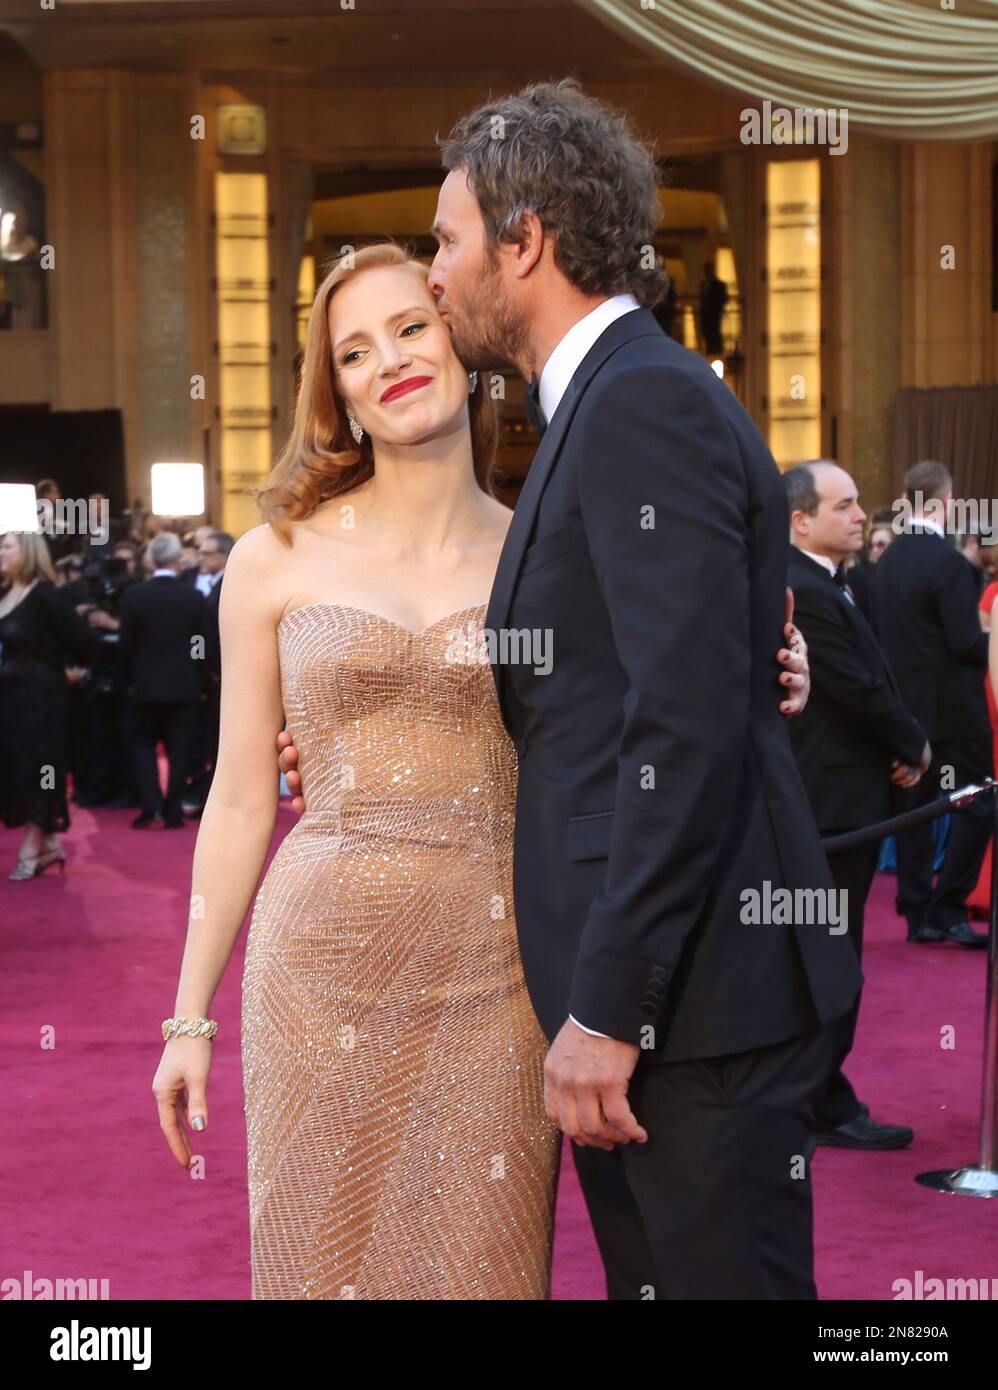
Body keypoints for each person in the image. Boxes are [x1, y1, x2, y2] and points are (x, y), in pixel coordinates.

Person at [151, 220, 812, 1297]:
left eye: (411, 325)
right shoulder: (270, 560)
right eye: (354, 352)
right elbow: (235, 800)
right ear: (338, 393)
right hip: (316, 970)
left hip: (501, 972)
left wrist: (771, 677)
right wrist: (189, 1016)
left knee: (481, 1269)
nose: (390, 361)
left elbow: (661, 697)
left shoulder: (551, 546)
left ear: (460, 339)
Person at [277, 81, 848, 1301]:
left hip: (688, 1006)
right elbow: (631, 683)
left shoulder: (635, 400)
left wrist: (605, 1009)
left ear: (524, 240)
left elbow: (680, 726)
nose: (434, 275)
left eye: (447, 240)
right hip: (671, 1006)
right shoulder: (602, 405)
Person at [785, 461, 927, 1151]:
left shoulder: (828, 583)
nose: (861, 514)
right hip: (830, 802)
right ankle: (813, 1103)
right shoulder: (802, 589)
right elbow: (852, 688)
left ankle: (819, 1096)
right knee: (830, 960)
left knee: (834, 956)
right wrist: (916, 747)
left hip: (847, 792)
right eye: (844, 505)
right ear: (800, 520)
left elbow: (870, 677)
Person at [871, 460, 991, 947]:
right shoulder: (949, 565)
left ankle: (919, 912)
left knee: (914, 813)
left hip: (906, 711)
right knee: (981, 804)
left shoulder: (888, 560)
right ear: (944, 503)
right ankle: (949, 907)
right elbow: (965, 643)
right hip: (957, 714)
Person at [0, 530, 91, 879]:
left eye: (7, 546)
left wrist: (70, 669)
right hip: (12, 702)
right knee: (20, 768)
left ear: (29, 551)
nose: (1, 552)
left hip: (42, 701)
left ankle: (31, 847)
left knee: (41, 771)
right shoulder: (9, 593)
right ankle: (49, 845)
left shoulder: (45, 596)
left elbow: (82, 639)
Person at [118, 532, 209, 830]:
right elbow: (201, 644)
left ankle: (151, 803)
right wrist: (201, 678)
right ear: (176, 560)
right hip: (185, 687)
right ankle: (172, 811)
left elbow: (126, 644)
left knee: (142, 744)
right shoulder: (193, 597)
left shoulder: (134, 595)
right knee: (180, 748)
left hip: (144, 686)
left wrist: (128, 678)